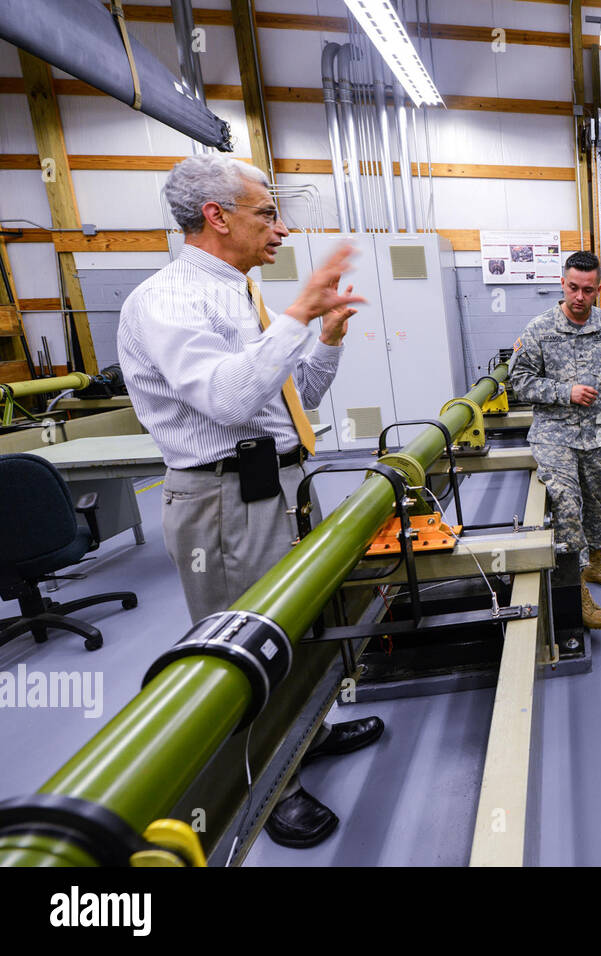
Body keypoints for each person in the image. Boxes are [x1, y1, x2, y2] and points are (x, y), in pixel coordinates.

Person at [118, 155, 382, 849]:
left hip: (283, 483)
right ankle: (270, 784)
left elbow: (301, 398)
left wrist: (325, 337)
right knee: (247, 643)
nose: (280, 226)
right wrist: (297, 312)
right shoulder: (170, 300)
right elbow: (230, 400)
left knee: (300, 620)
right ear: (217, 216)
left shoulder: (240, 294)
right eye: (267, 212)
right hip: (225, 499)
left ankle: (304, 734)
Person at [509, 251, 601, 629]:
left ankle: (596, 563)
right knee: (567, 502)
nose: (579, 297)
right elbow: (520, 382)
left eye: (587, 290)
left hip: (597, 432)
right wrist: (565, 392)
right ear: (562, 285)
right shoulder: (539, 329)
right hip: (555, 433)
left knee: (598, 498)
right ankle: (576, 586)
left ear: (598, 289)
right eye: (572, 288)